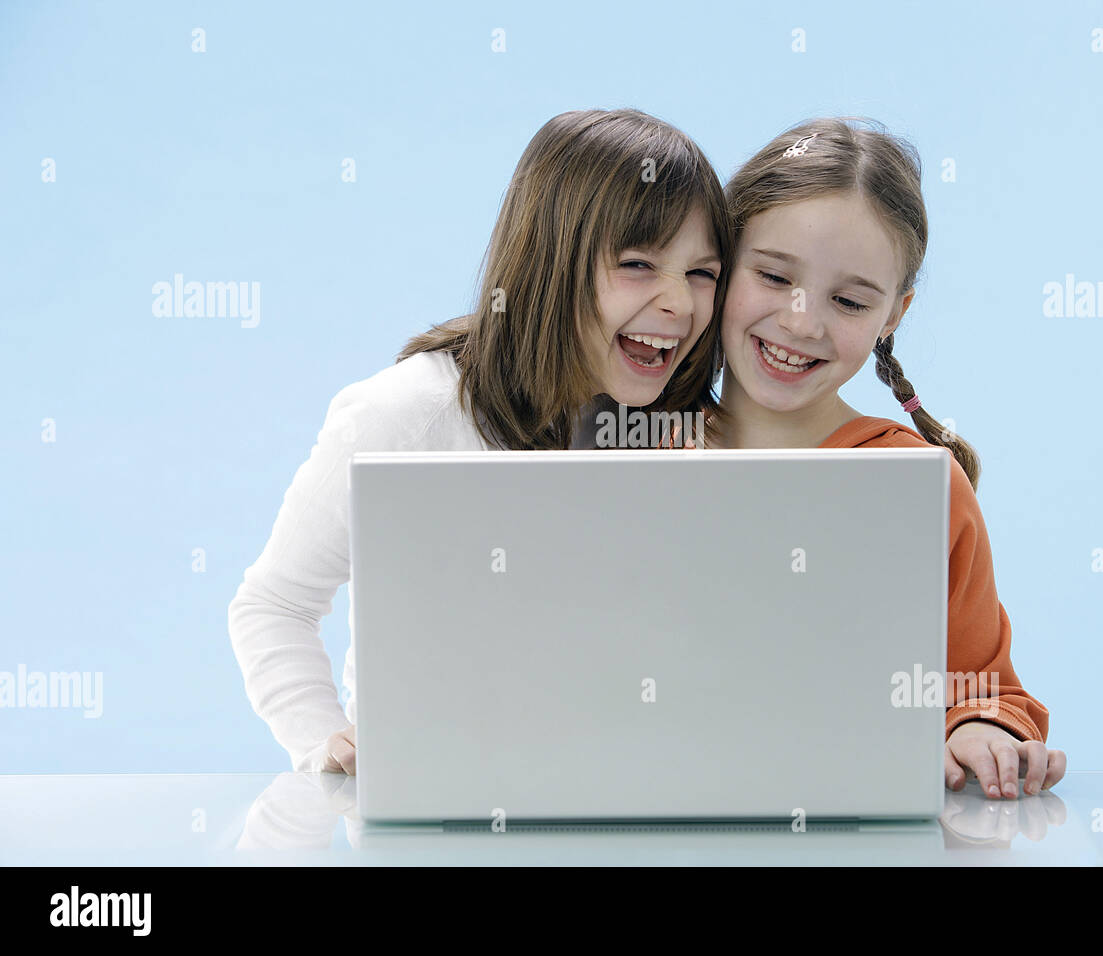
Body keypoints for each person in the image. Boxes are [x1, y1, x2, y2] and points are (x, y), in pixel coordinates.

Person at [229, 108, 731, 774]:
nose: (680, 303)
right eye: (638, 264)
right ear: (548, 265)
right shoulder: (409, 414)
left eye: (702, 273)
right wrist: (323, 742)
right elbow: (276, 603)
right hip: (442, 804)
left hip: (613, 789)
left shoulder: (682, 435)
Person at [707, 117, 1066, 799]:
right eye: (774, 275)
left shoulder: (919, 481)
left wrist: (979, 731)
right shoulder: (635, 446)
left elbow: (985, 689)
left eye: (848, 300)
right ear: (721, 264)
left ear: (893, 315)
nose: (802, 321)